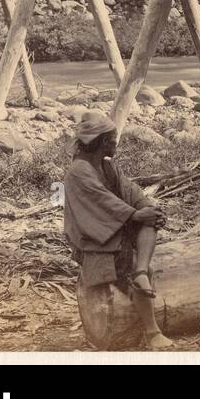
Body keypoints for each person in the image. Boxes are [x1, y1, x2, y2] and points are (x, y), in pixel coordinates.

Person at [63, 111, 172, 350]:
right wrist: (134, 214)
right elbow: (102, 202)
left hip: (114, 227)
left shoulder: (108, 167)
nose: (116, 144)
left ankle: (141, 270)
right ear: (102, 142)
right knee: (129, 260)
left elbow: (131, 191)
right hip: (94, 238)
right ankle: (153, 333)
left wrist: (146, 208)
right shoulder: (78, 171)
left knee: (149, 221)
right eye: (113, 140)